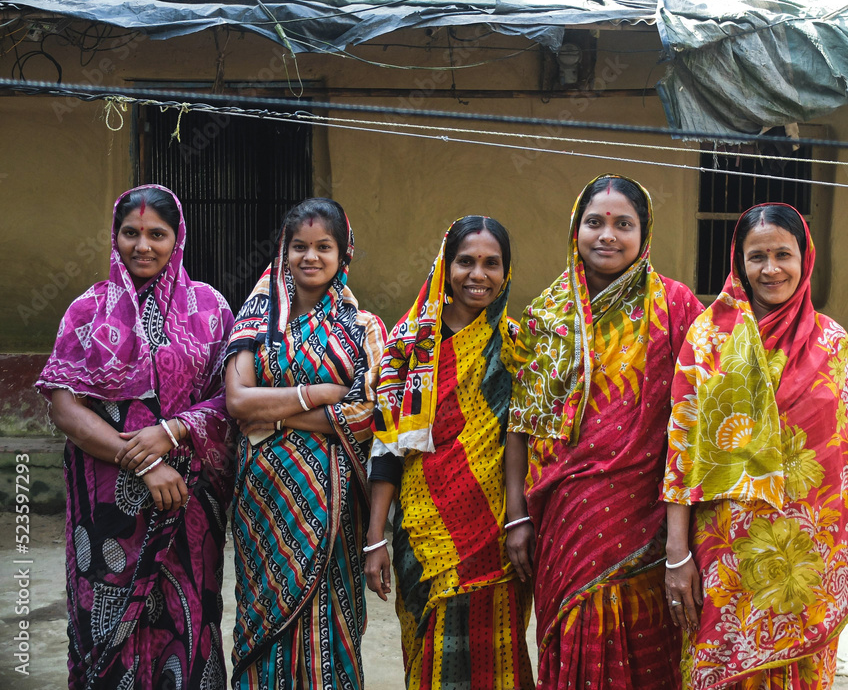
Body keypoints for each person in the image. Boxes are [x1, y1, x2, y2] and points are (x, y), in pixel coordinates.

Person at [661, 203, 848, 690]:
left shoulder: (832, 342)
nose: (771, 268)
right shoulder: (709, 337)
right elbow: (682, 450)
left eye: (783, 254)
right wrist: (677, 555)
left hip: (808, 554)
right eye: (757, 256)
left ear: (806, 259)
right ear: (738, 262)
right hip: (726, 550)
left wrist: (845, 552)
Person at [506, 174, 704, 690]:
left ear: (645, 234)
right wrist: (516, 516)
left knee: (647, 643)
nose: (607, 236)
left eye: (623, 224)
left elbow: (701, 413)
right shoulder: (548, 316)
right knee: (574, 631)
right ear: (576, 230)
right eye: (594, 222)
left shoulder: (676, 307)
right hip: (566, 513)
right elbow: (522, 425)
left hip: (650, 513)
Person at [36, 185, 235, 689]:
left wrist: (172, 432)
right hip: (106, 504)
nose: (142, 245)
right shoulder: (89, 309)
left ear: (178, 238)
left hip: (186, 501)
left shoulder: (209, 308)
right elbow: (64, 405)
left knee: (188, 616)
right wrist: (141, 461)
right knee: (103, 625)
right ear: (115, 237)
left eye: (156, 234)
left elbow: (230, 398)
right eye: (130, 233)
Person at [366, 216, 534, 690]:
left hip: (495, 533)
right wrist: (376, 537)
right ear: (445, 265)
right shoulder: (410, 346)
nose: (477, 275)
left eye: (491, 264)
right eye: (465, 261)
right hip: (422, 532)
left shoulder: (517, 345)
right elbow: (387, 445)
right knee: (430, 655)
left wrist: (522, 520)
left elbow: (525, 439)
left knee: (497, 655)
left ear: (506, 272)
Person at [225, 197, 386, 690]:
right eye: (299, 246)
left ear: (344, 253)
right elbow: (237, 400)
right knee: (264, 612)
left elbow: (366, 415)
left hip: (335, 508)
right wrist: (318, 395)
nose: (310, 257)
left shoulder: (363, 327)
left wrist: (276, 417)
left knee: (331, 616)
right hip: (264, 501)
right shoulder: (258, 319)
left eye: (324, 247)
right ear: (283, 251)